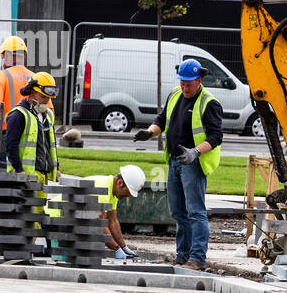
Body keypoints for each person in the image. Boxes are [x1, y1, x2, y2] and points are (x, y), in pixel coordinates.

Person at [133, 59, 222, 270]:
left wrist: (196, 152)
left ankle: (198, 258)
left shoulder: (209, 103)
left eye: (188, 84)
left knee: (195, 211)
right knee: (178, 212)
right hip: (175, 160)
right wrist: (150, 132)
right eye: (182, 83)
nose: (184, 88)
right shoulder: (175, 94)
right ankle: (183, 256)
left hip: (193, 163)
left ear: (199, 80)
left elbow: (217, 136)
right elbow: (162, 119)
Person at [0, 35, 52, 167]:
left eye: (3, 56)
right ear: (23, 56)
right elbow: (49, 110)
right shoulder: (35, 77)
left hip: (7, 136)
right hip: (33, 137)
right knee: (26, 170)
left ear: (6, 56)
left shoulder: (1, 76)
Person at [2, 72, 61, 187]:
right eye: (43, 96)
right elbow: (10, 145)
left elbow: (51, 146)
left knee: (39, 205)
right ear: (32, 92)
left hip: (42, 176)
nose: (46, 101)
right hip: (24, 177)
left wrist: (56, 168)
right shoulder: (18, 115)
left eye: (49, 98)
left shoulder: (48, 115)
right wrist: (19, 171)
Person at [89, 164, 146, 260]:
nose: (128, 196)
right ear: (120, 183)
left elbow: (112, 222)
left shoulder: (112, 190)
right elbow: (98, 226)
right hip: (59, 222)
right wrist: (116, 249)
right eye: (129, 192)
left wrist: (123, 247)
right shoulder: (102, 190)